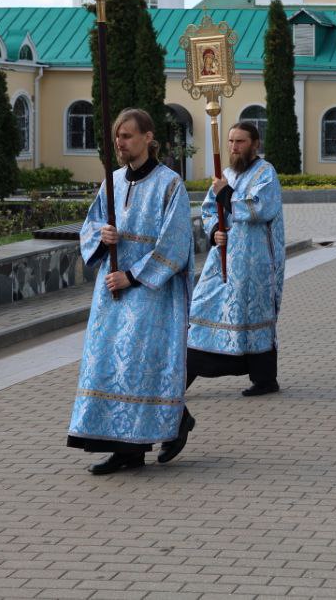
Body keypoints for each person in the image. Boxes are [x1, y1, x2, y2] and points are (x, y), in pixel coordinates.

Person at [67, 108, 195, 475]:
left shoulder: (170, 184)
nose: (120, 143)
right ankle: (123, 449)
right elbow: (91, 224)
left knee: (140, 367)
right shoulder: (113, 181)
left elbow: (176, 244)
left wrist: (133, 275)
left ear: (148, 138)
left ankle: (163, 427)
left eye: (127, 136)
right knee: (109, 364)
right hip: (111, 290)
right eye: (117, 136)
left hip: (150, 292)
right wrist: (101, 236)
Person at [185, 122, 285, 398]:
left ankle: (264, 379)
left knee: (251, 317)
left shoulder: (266, 173)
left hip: (256, 264)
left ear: (255, 144)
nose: (234, 147)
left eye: (240, 141)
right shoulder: (225, 174)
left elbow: (261, 208)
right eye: (230, 141)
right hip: (223, 261)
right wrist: (215, 230)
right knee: (202, 309)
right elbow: (209, 209)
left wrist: (226, 194)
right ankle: (182, 375)